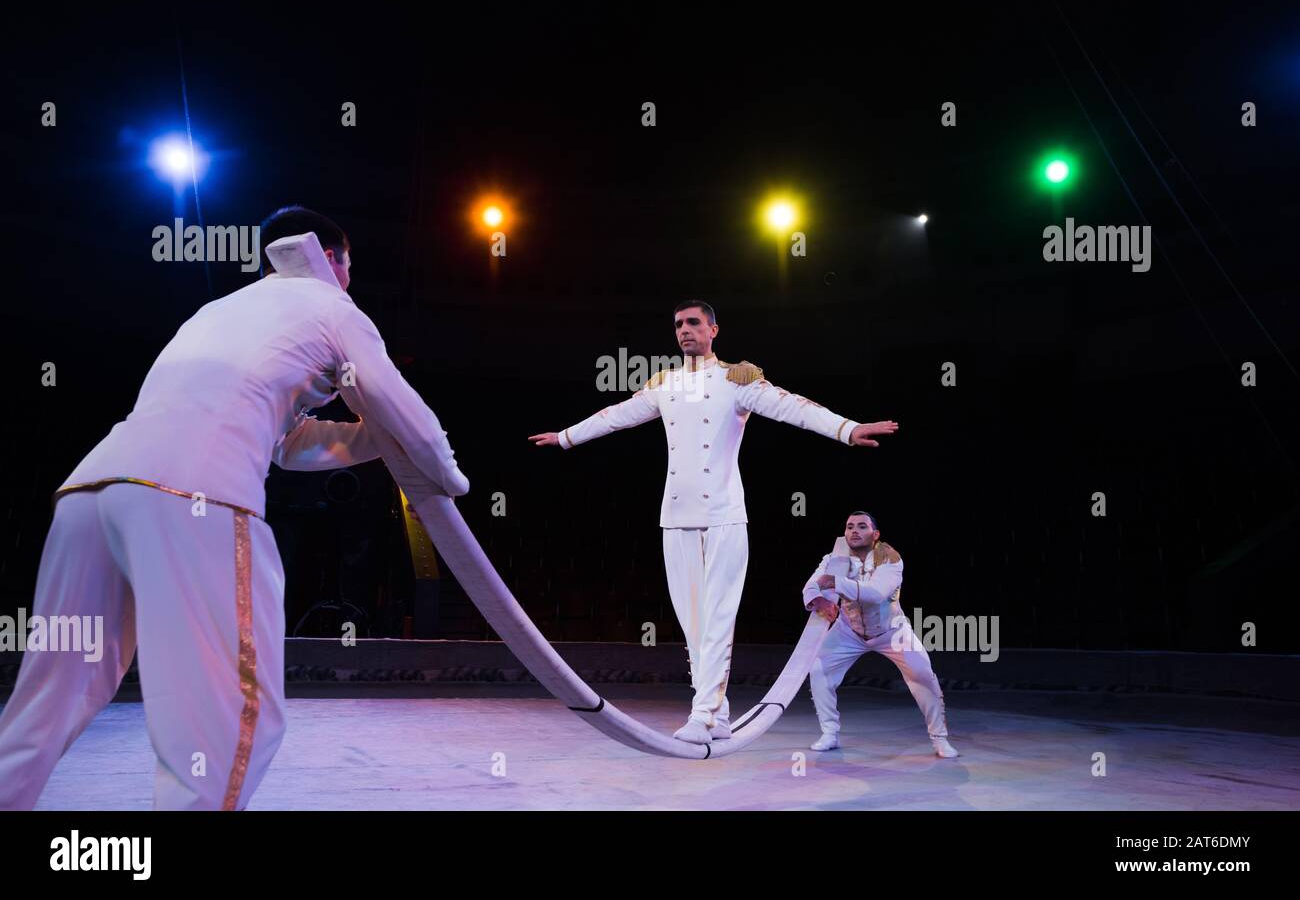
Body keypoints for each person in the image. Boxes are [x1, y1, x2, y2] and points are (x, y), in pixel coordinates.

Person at [0, 207, 469, 809]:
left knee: (50, 697)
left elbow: (286, 446)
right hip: (195, 497)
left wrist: (379, 439)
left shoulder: (216, 312)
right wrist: (446, 473)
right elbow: (410, 415)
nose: (351, 280)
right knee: (231, 717)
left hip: (91, 495)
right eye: (350, 267)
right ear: (331, 259)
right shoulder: (334, 309)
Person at [529, 300, 897, 744]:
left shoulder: (735, 379)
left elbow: (793, 407)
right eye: (678, 324)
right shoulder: (665, 385)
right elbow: (618, 416)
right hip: (676, 515)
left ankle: (703, 715)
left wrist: (846, 428)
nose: (684, 330)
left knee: (719, 617)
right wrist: (567, 436)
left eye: (693, 323)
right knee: (693, 623)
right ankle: (716, 713)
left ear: (713, 330)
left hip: (724, 515)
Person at [803, 511, 958, 757]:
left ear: (875, 534)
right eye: (850, 526)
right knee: (819, 669)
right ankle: (829, 732)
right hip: (849, 630)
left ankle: (940, 738)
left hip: (891, 631)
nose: (854, 531)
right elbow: (813, 583)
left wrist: (835, 583)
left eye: (862, 527)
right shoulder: (836, 557)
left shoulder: (890, 558)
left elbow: (875, 593)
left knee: (923, 674)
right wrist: (818, 599)